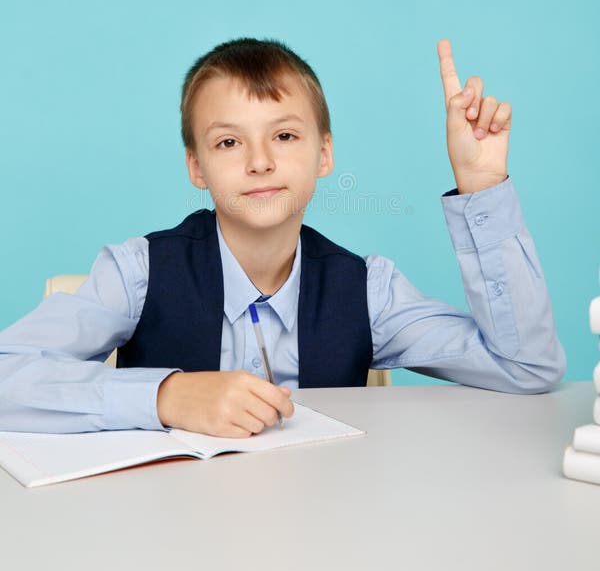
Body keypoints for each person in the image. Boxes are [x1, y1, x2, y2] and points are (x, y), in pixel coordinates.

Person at [0, 37, 565, 436]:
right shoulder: (138, 272)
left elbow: (526, 367)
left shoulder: (367, 290)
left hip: (324, 535)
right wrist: (165, 395)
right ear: (196, 167)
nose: (261, 162)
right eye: (228, 143)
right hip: (168, 540)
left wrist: (482, 188)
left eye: (286, 135)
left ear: (324, 154)